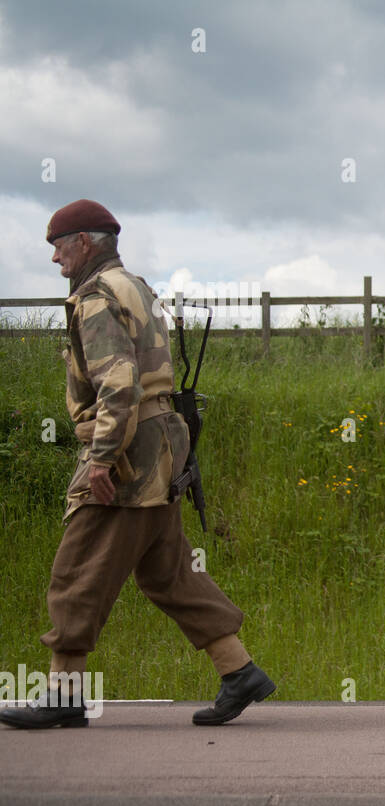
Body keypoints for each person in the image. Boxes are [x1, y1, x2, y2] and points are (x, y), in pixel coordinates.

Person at [0, 199, 275, 731]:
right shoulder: (136, 286)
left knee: (76, 570)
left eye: (58, 245)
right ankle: (238, 669)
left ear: (85, 242)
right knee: (168, 571)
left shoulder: (96, 296)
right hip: (163, 444)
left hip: (127, 451)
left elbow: (118, 382)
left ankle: (63, 693)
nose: (55, 258)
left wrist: (102, 459)